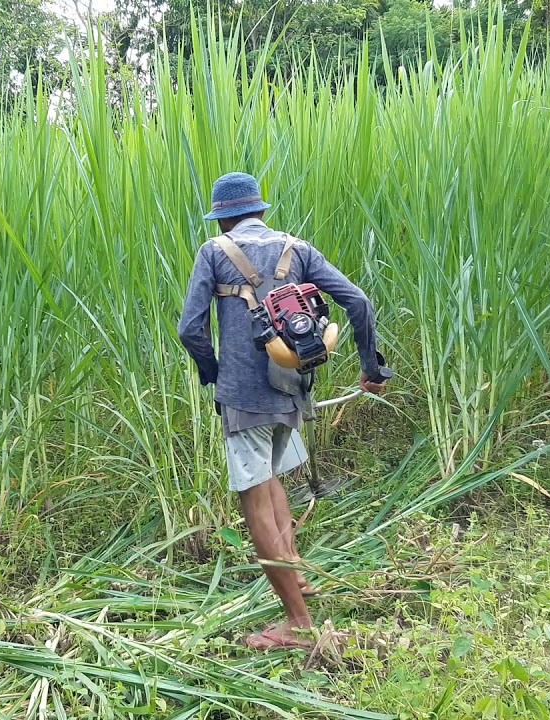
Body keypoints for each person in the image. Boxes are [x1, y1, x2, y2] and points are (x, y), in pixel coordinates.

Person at [177, 172, 391, 650]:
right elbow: (358, 301)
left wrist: (215, 373)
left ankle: (297, 622)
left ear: (224, 216)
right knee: (271, 476)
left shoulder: (215, 252)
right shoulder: (297, 250)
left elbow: (191, 329)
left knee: (253, 501)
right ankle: (299, 577)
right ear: (258, 210)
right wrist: (370, 365)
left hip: (244, 396)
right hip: (292, 386)